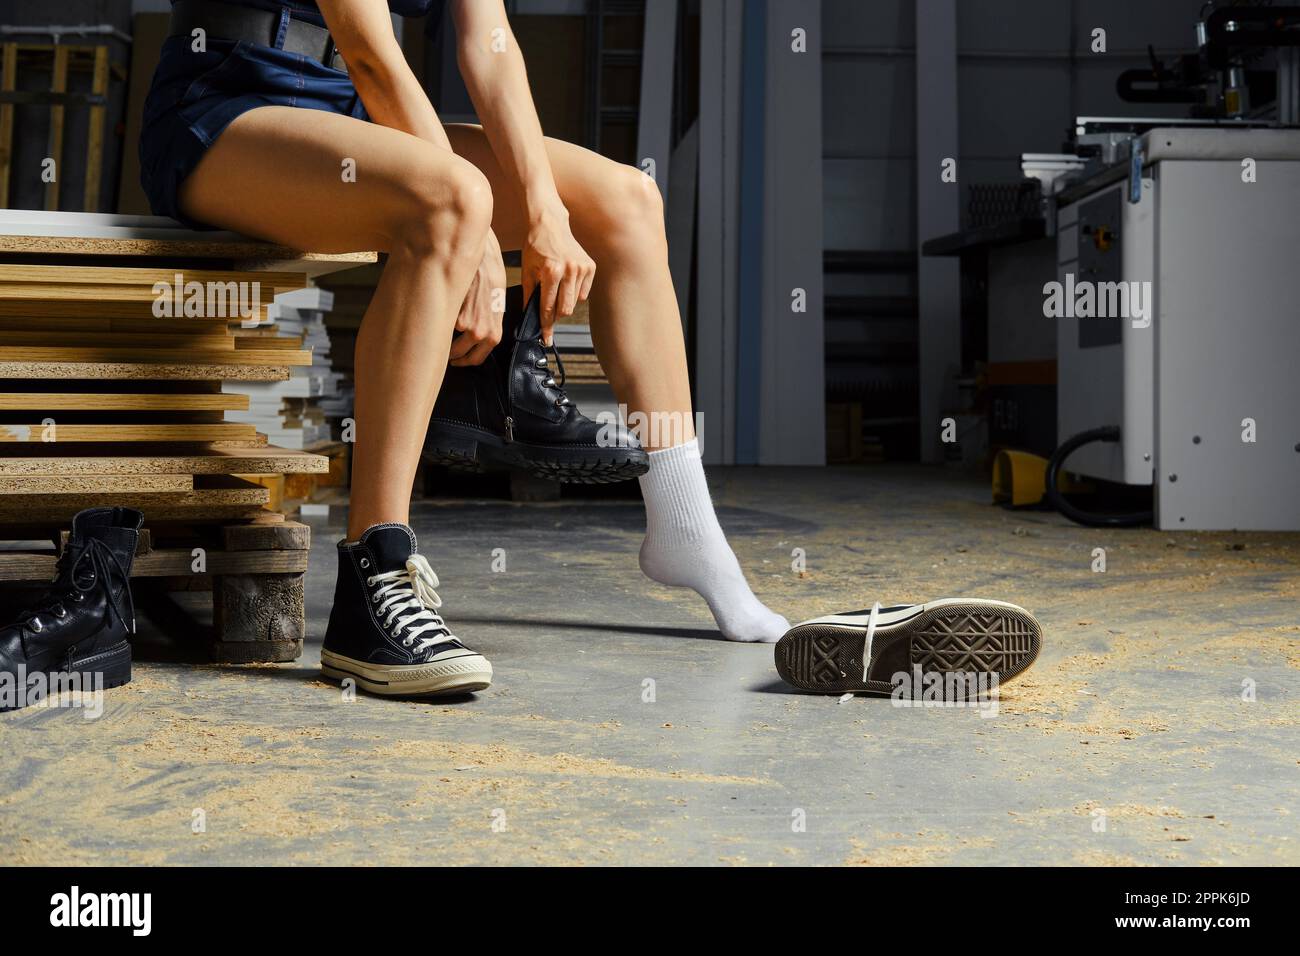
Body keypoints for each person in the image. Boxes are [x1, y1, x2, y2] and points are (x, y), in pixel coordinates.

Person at [139, 0, 790, 697]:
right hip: (229, 111)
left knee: (627, 202)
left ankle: (685, 527)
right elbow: (369, 50)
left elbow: (491, 41)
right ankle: (375, 578)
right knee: (450, 199)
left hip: (352, 116)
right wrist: (476, 232)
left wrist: (545, 211)